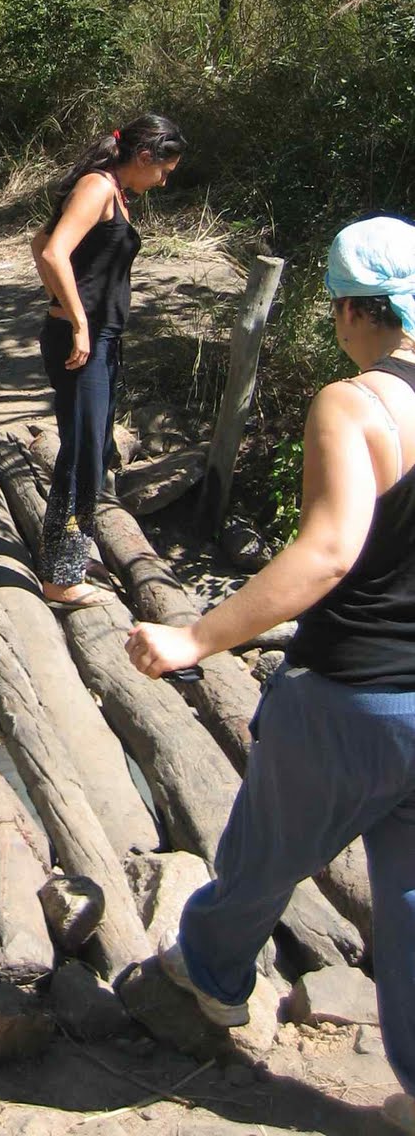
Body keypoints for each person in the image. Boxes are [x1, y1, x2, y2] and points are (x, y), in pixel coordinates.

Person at [126, 215, 415, 1131]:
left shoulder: (356, 404)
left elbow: (329, 552)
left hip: (352, 691)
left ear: (351, 310)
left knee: (262, 855)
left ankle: (209, 978)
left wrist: (197, 637)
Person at [31, 116, 186, 605]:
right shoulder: (97, 187)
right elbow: (53, 251)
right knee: (82, 455)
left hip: (100, 339)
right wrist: (75, 318)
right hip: (84, 341)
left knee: (91, 448)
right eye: (163, 171)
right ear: (144, 157)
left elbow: (41, 241)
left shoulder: (114, 192)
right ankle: (60, 576)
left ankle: (69, 553)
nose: (163, 181)